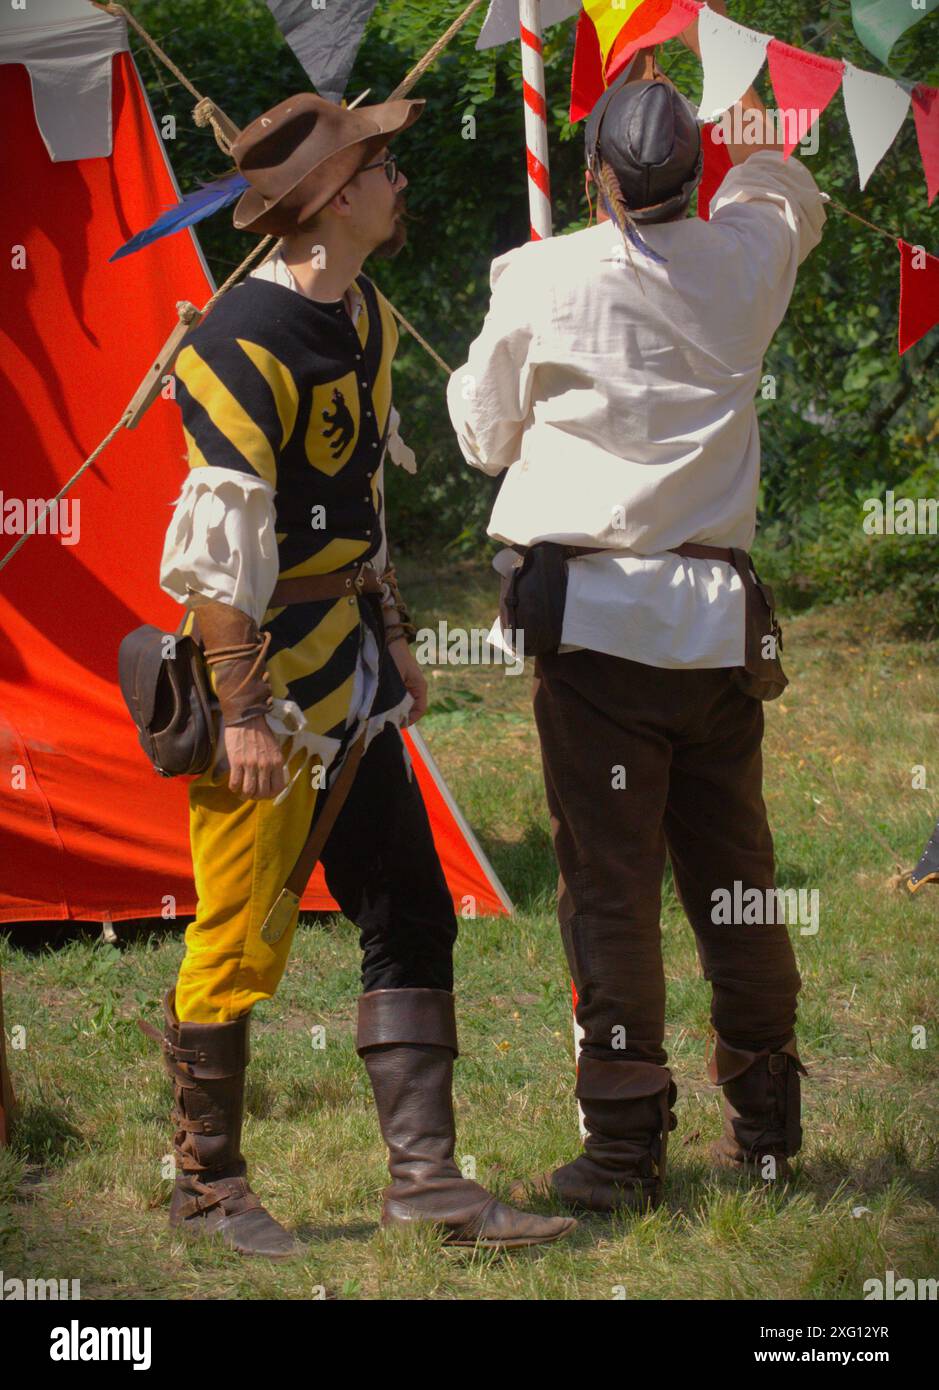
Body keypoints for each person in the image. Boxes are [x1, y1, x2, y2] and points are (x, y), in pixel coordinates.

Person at [142, 91, 574, 1256]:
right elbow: (220, 548)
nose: (396, 181)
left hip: (352, 672)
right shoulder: (235, 345)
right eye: (378, 167)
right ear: (334, 198)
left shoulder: (368, 316)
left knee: (410, 906)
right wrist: (238, 711)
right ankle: (208, 1180)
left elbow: (360, 507)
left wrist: (391, 633)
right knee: (237, 931)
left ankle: (426, 1179)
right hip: (264, 677)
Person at [447, 3, 826, 1212]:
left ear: (597, 178)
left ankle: (620, 1154)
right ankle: (766, 1132)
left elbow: (478, 434)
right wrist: (729, 96)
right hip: (713, 637)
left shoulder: (540, 274)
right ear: (693, 171)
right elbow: (784, 181)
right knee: (740, 881)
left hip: (604, 642)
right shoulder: (748, 258)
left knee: (610, 890)